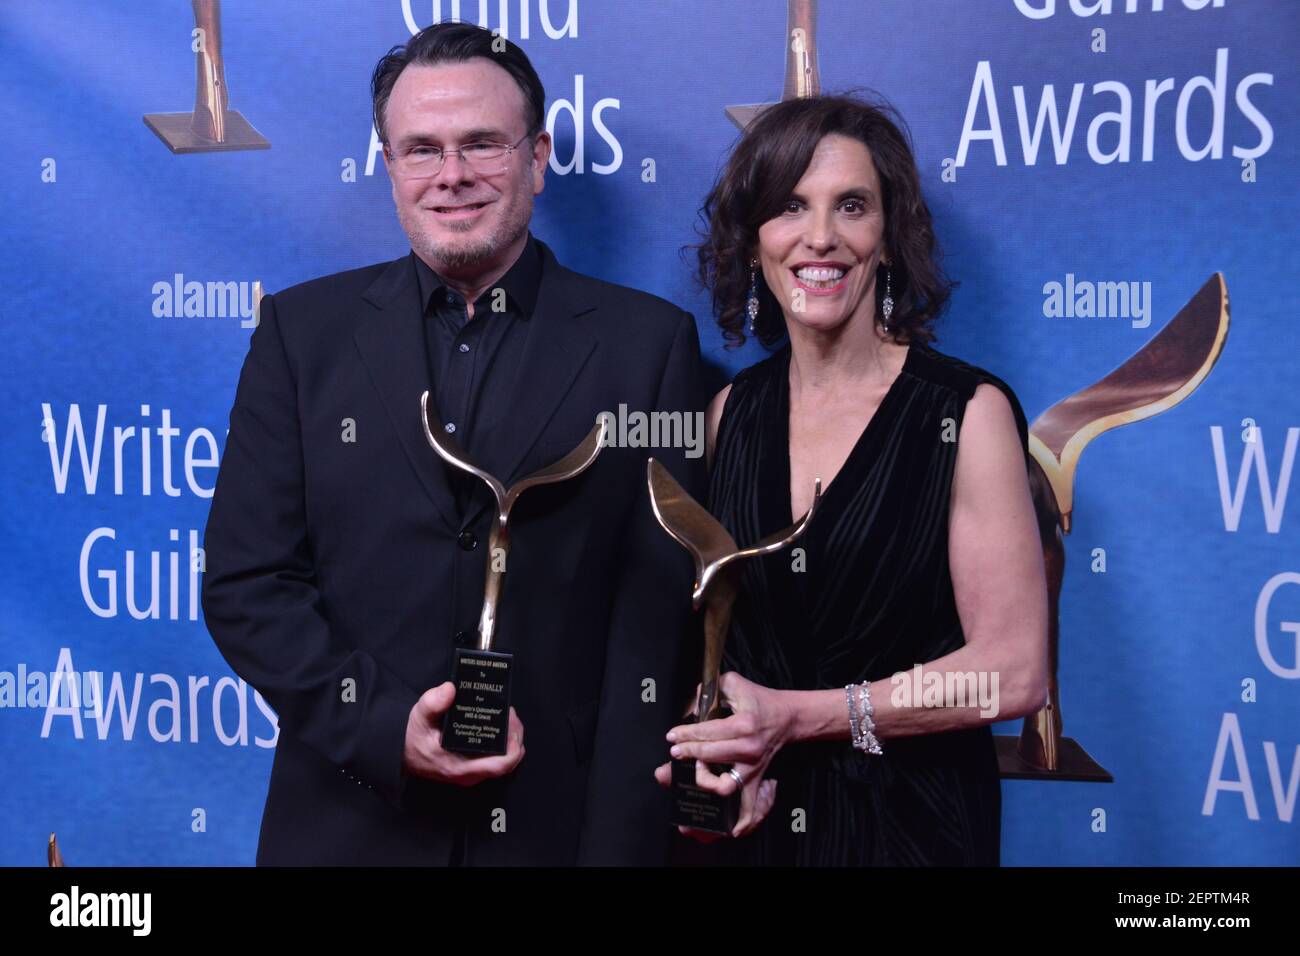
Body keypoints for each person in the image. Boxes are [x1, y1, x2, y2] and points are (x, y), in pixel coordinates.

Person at [202, 22, 704, 866]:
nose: (452, 176)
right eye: (421, 150)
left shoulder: (646, 346)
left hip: (556, 832)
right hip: (345, 825)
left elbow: (652, 628)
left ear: (539, 157)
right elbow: (249, 584)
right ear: (390, 167)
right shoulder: (301, 334)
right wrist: (380, 724)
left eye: (482, 144)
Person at [656, 94, 1049, 865]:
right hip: (756, 833)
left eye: (852, 206)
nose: (821, 237)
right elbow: (711, 650)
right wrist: (714, 767)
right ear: (753, 240)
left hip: (916, 828)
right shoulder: (728, 413)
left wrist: (804, 717)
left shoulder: (965, 413)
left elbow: (1012, 675)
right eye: (789, 207)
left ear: (889, 236)